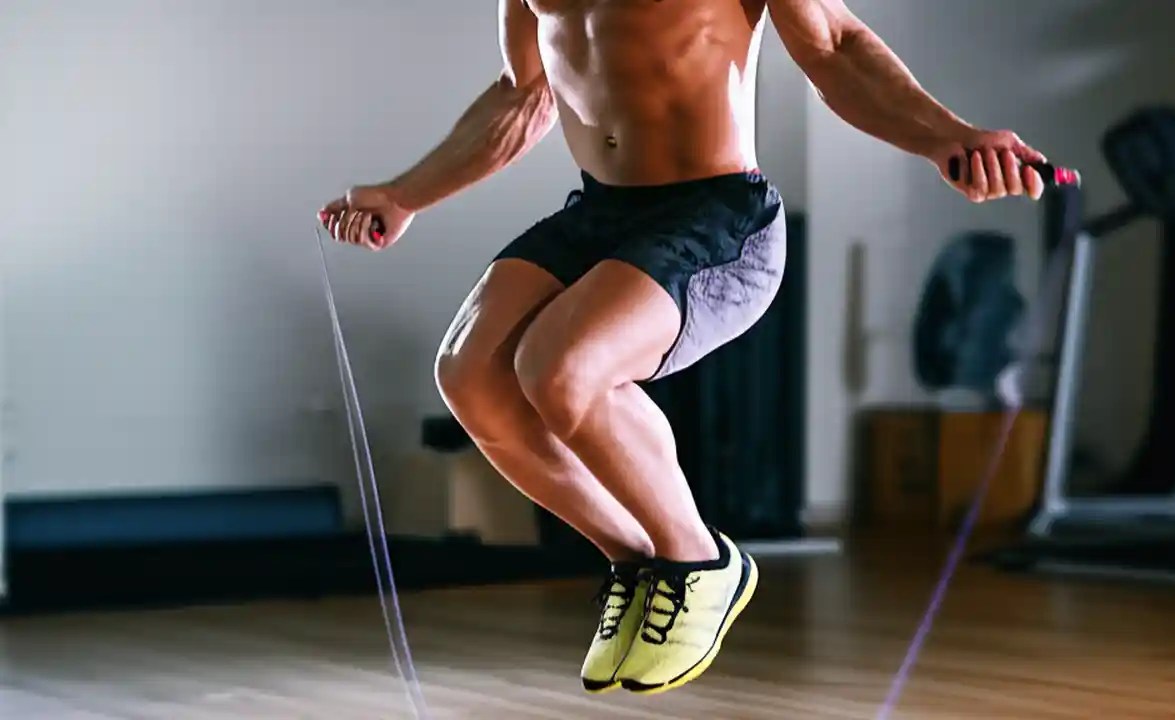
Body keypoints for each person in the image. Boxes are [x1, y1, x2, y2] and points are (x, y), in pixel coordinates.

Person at [319, 0, 1047, 696]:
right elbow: (524, 94)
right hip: (602, 212)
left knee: (563, 371)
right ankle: (638, 565)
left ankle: (699, 559)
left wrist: (947, 136)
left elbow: (836, 47)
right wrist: (404, 194)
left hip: (718, 216)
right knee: (470, 371)